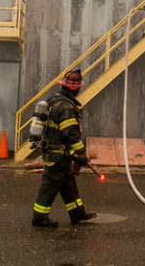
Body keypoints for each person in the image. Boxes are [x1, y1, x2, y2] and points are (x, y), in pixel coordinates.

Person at [31, 69, 97, 228]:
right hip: (57, 154)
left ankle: (77, 213)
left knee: (68, 182)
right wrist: (80, 153)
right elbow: (70, 133)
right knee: (50, 185)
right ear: (75, 88)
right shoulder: (66, 107)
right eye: (79, 87)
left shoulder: (54, 100)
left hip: (58, 153)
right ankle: (39, 218)